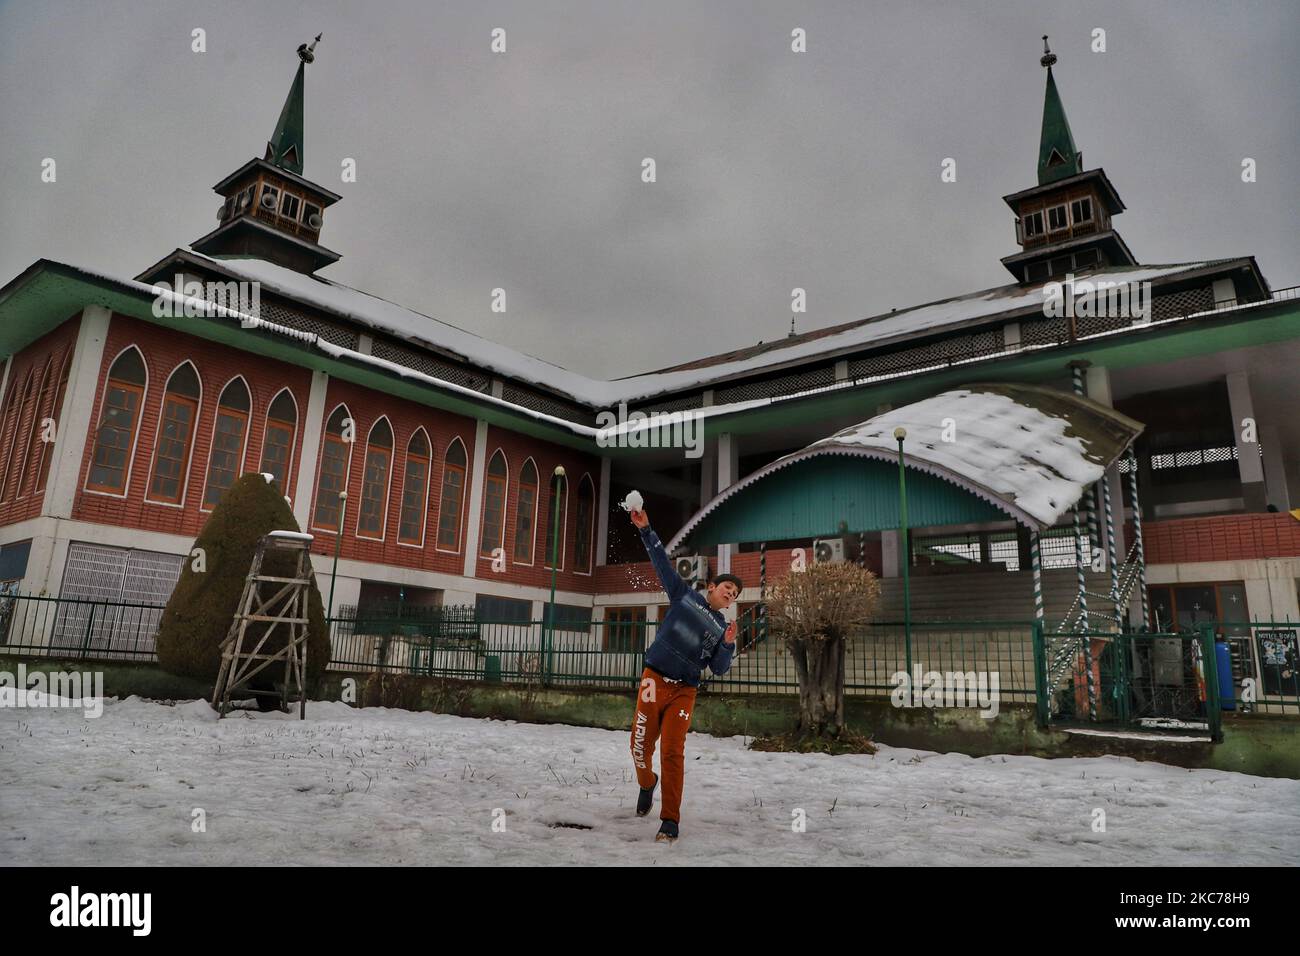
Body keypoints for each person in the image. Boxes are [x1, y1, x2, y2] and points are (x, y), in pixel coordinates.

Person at [628, 506, 741, 842]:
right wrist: (646, 529)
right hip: (654, 678)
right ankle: (647, 783)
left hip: (684, 691)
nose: (730, 595)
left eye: (735, 596)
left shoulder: (723, 629)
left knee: (672, 751)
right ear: (711, 586)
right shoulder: (684, 596)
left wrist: (728, 646)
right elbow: (662, 563)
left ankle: (670, 822)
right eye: (726, 588)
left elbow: (718, 670)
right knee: (639, 747)